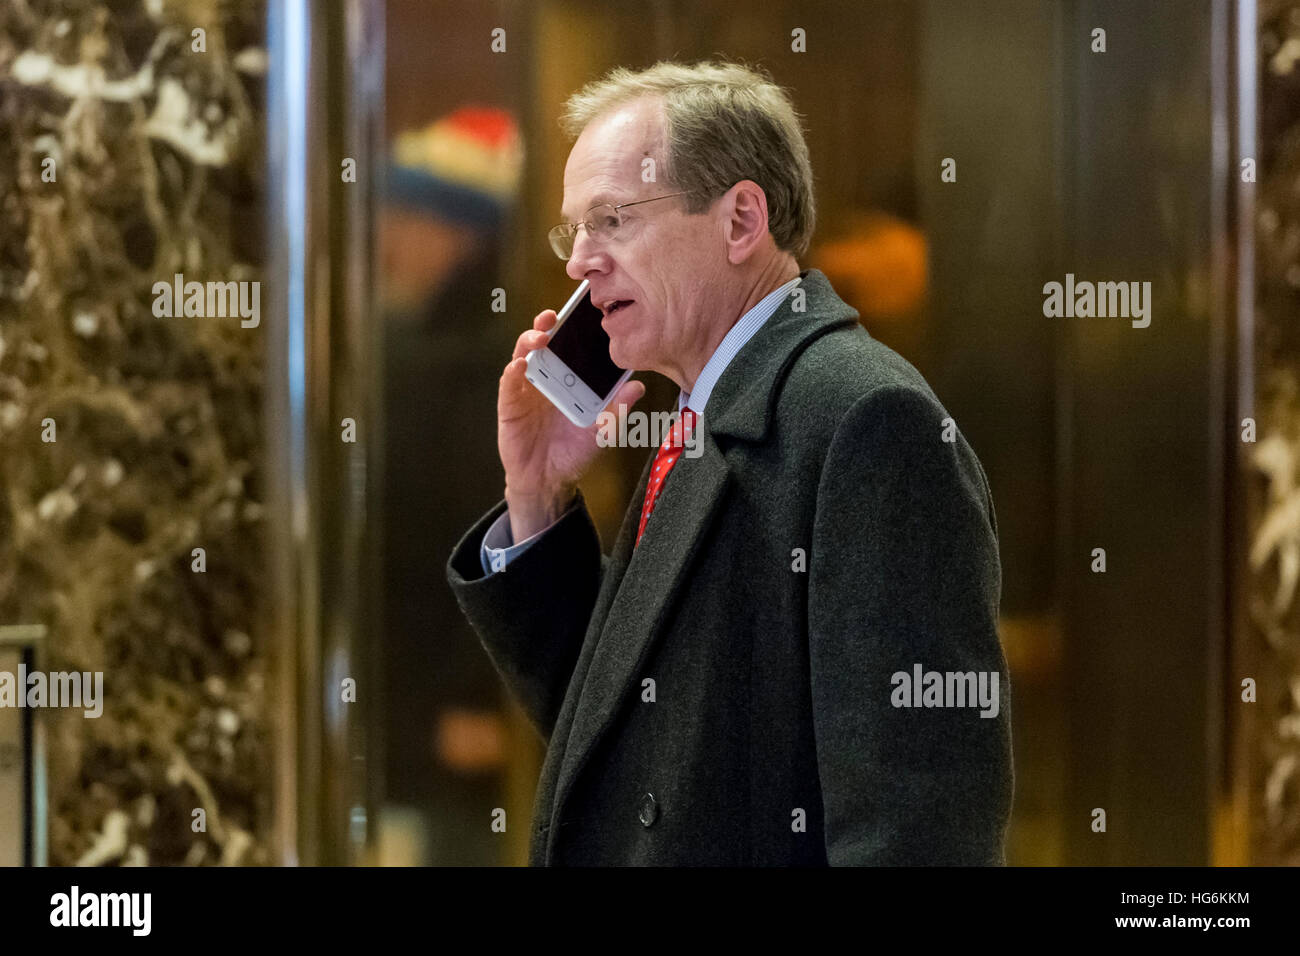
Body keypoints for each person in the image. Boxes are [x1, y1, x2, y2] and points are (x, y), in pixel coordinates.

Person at [445, 60, 1012, 865]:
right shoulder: (706, 406)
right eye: (573, 230)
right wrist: (536, 498)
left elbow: (916, 828)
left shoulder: (869, 420)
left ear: (741, 219)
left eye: (612, 220)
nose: (580, 262)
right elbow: (627, 737)